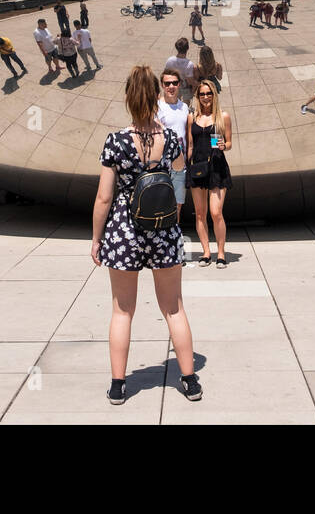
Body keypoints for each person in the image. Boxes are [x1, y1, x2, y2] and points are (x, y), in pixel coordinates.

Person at [92, 64, 201, 405]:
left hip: (124, 229)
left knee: (122, 310)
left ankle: (118, 385)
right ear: (156, 95)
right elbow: (181, 171)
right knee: (174, 308)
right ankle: (189, 378)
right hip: (163, 228)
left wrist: (97, 239)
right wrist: (175, 201)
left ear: (128, 98)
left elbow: (104, 197)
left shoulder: (116, 141)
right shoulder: (169, 138)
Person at [187, 76, 233, 267]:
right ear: (197, 96)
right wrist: (184, 165)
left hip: (216, 167)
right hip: (197, 167)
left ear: (214, 95)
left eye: (209, 94)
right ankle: (206, 252)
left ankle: (220, 253)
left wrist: (224, 145)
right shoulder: (192, 118)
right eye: (202, 94)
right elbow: (190, 144)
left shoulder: (222, 116)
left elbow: (229, 142)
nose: (206, 97)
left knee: (216, 213)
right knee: (200, 213)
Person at [157, 68, 191, 220]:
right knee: (160, 202)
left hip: (180, 165)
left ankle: (174, 236)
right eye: (167, 83)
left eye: (174, 83)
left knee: (177, 204)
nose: (171, 86)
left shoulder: (184, 107)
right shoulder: (156, 107)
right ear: (162, 85)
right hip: (162, 164)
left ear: (179, 85)